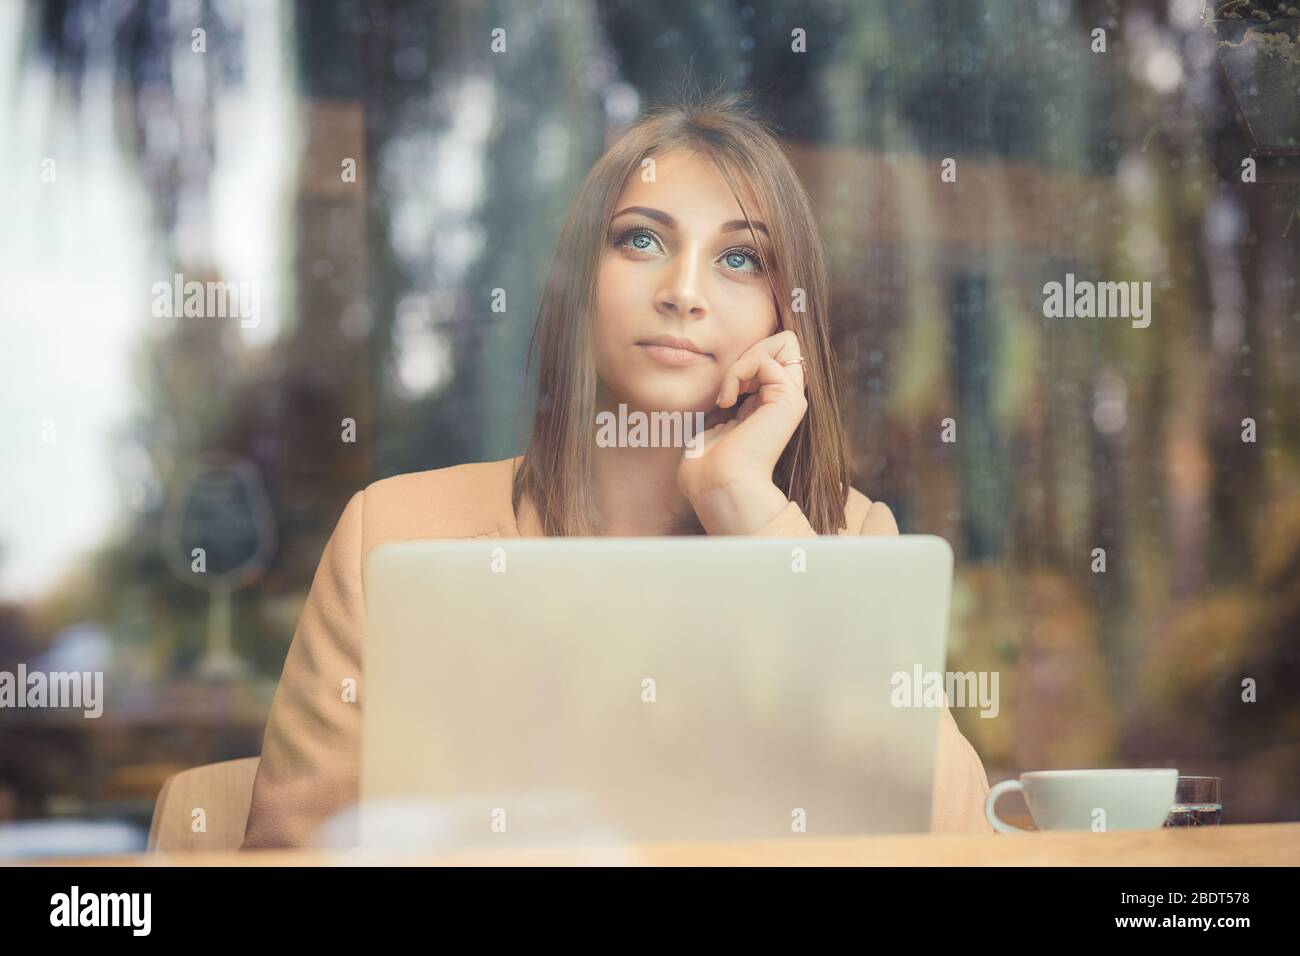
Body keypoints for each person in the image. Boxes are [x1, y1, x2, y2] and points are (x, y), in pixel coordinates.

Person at [241, 91, 993, 849]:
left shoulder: (845, 541)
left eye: (740, 258)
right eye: (641, 241)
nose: (683, 293)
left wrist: (749, 511)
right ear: (579, 282)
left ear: (783, 318)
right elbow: (293, 857)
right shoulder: (395, 535)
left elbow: (961, 843)